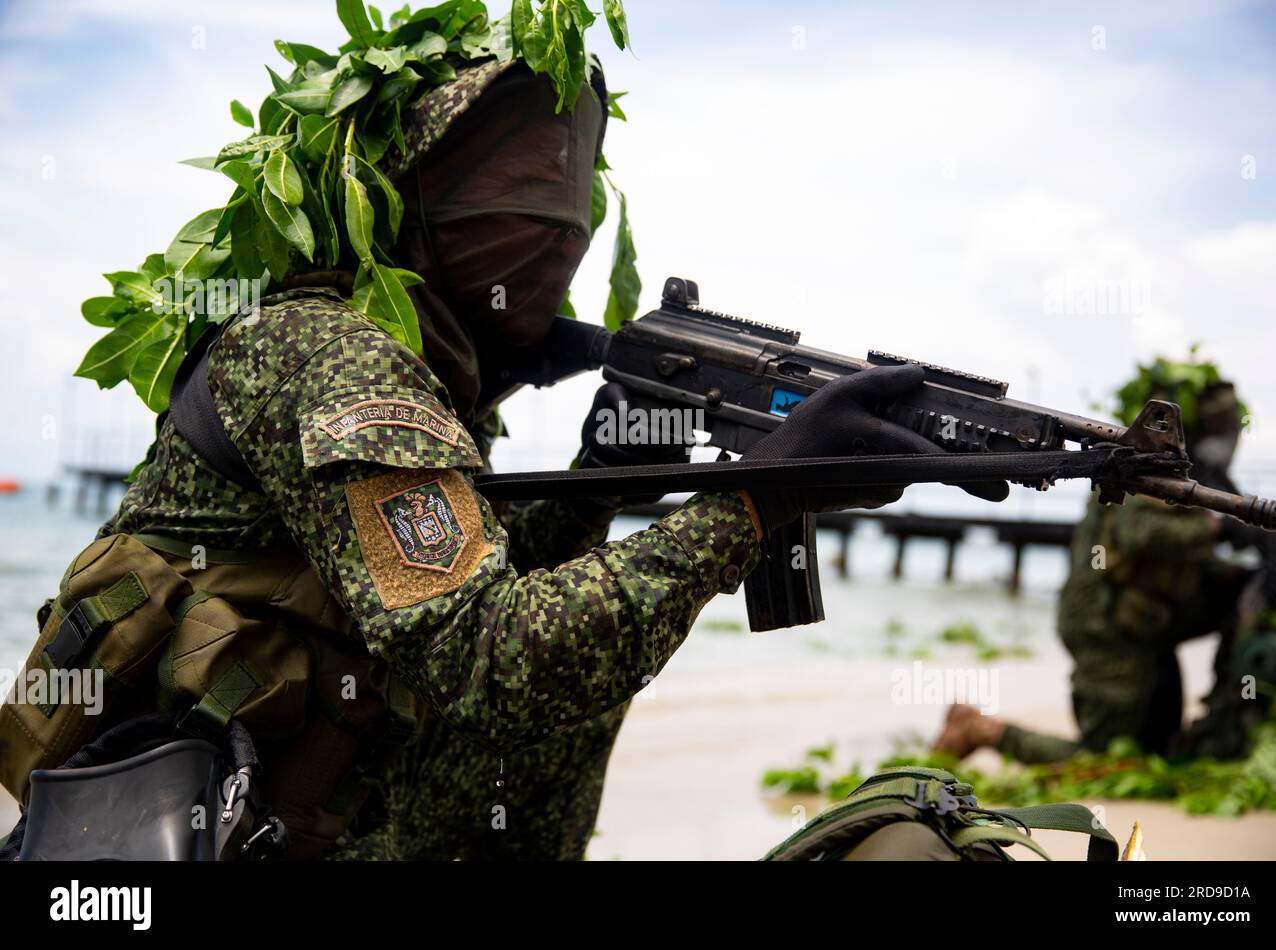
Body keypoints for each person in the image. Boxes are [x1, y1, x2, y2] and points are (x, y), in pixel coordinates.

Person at [2, 58, 1000, 860]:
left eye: (558, 218)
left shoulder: (413, 370)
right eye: (508, 203)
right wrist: (751, 499)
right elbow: (493, 664)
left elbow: (471, 601)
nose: (545, 247)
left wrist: (609, 470)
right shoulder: (331, 355)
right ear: (405, 203)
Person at [934, 368, 1273, 764]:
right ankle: (980, 729)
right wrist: (1218, 528)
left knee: (1155, 752)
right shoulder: (1144, 470)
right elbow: (1140, 533)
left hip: (1142, 625)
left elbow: (1173, 561)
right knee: (1106, 760)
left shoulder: (1173, 474)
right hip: (1104, 627)